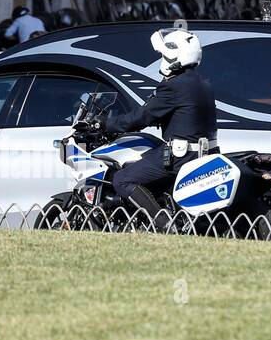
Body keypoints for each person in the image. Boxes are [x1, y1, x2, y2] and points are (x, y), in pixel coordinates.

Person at [88, 28, 217, 215]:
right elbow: (187, 116)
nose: (161, 59)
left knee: (122, 179)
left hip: (181, 156)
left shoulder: (174, 85)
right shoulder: (203, 84)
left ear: (173, 54)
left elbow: (140, 117)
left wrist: (104, 123)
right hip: (207, 152)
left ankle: (162, 226)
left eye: (162, 55)